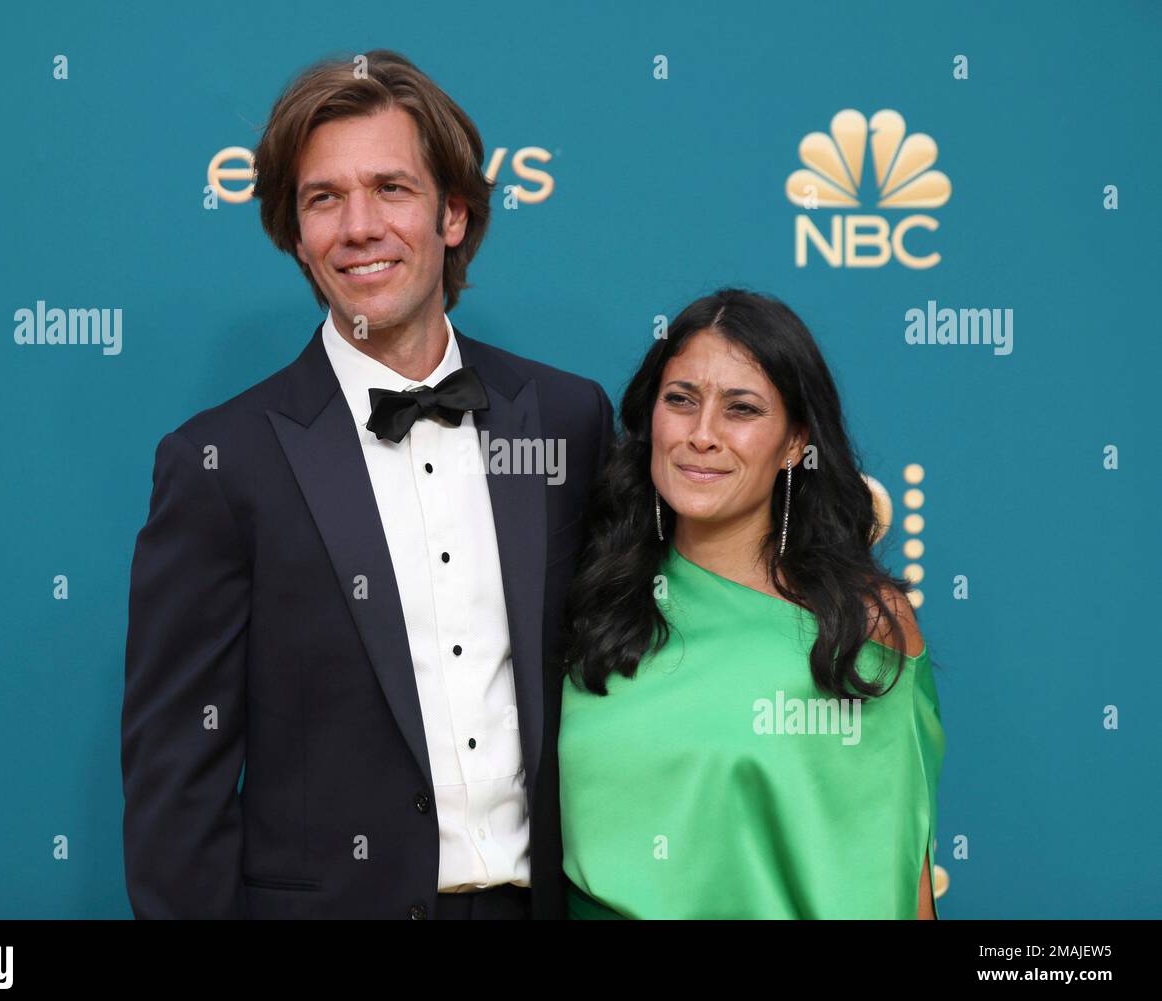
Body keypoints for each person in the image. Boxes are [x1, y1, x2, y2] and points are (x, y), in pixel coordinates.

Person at [120, 49, 612, 919]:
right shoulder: (221, 462)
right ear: (295, 233)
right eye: (324, 198)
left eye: (391, 188)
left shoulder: (565, 420)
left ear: (452, 213)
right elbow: (175, 780)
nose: (359, 226)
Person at [557, 288, 945, 919]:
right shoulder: (594, 597)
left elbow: (899, 883)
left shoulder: (857, 624)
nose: (701, 435)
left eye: (741, 409)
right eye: (680, 401)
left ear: (795, 442)